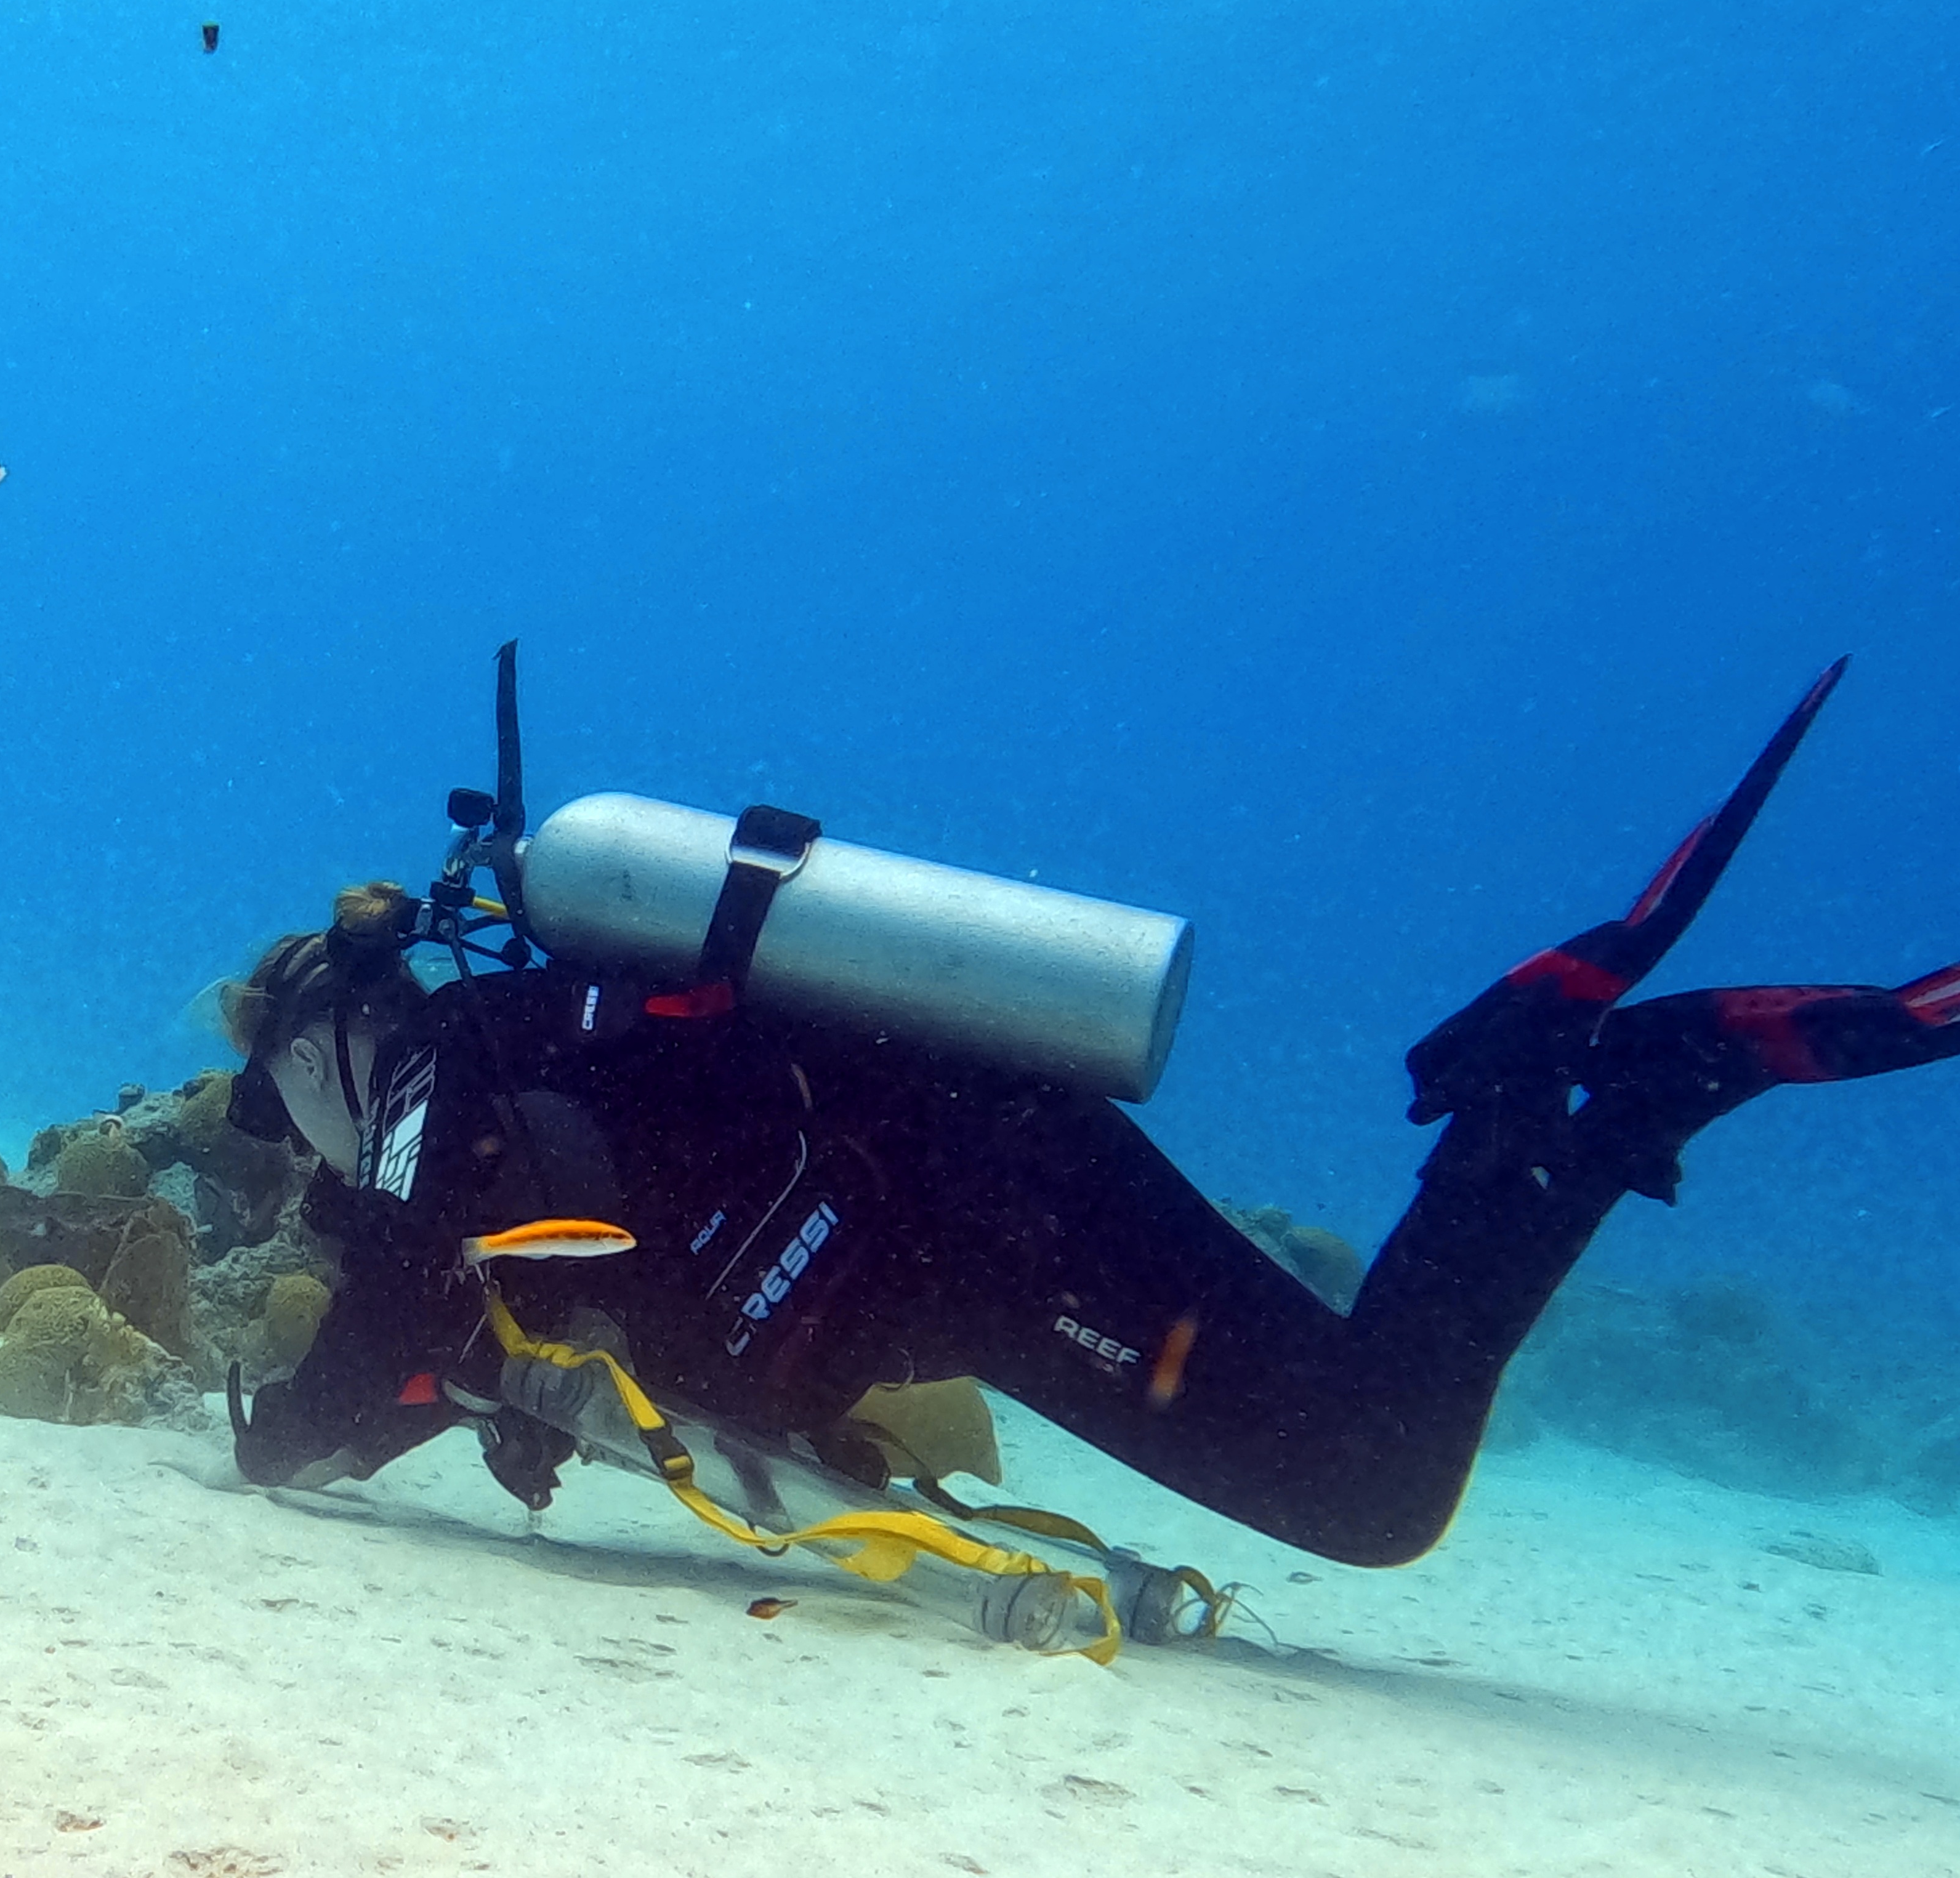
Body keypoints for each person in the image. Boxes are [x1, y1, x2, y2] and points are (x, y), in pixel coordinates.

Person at [217, 665, 1958, 1566]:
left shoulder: (430, 1087)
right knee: (1365, 1457)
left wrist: (264, 1437)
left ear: (313, 1042)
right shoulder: (532, 1047)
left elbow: (345, 1368)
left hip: (991, 1215)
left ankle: (1574, 1088)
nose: (296, 1145)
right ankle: (1584, 1094)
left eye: (280, 1101)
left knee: (1364, 1478)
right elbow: (488, 1325)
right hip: (985, 1180)